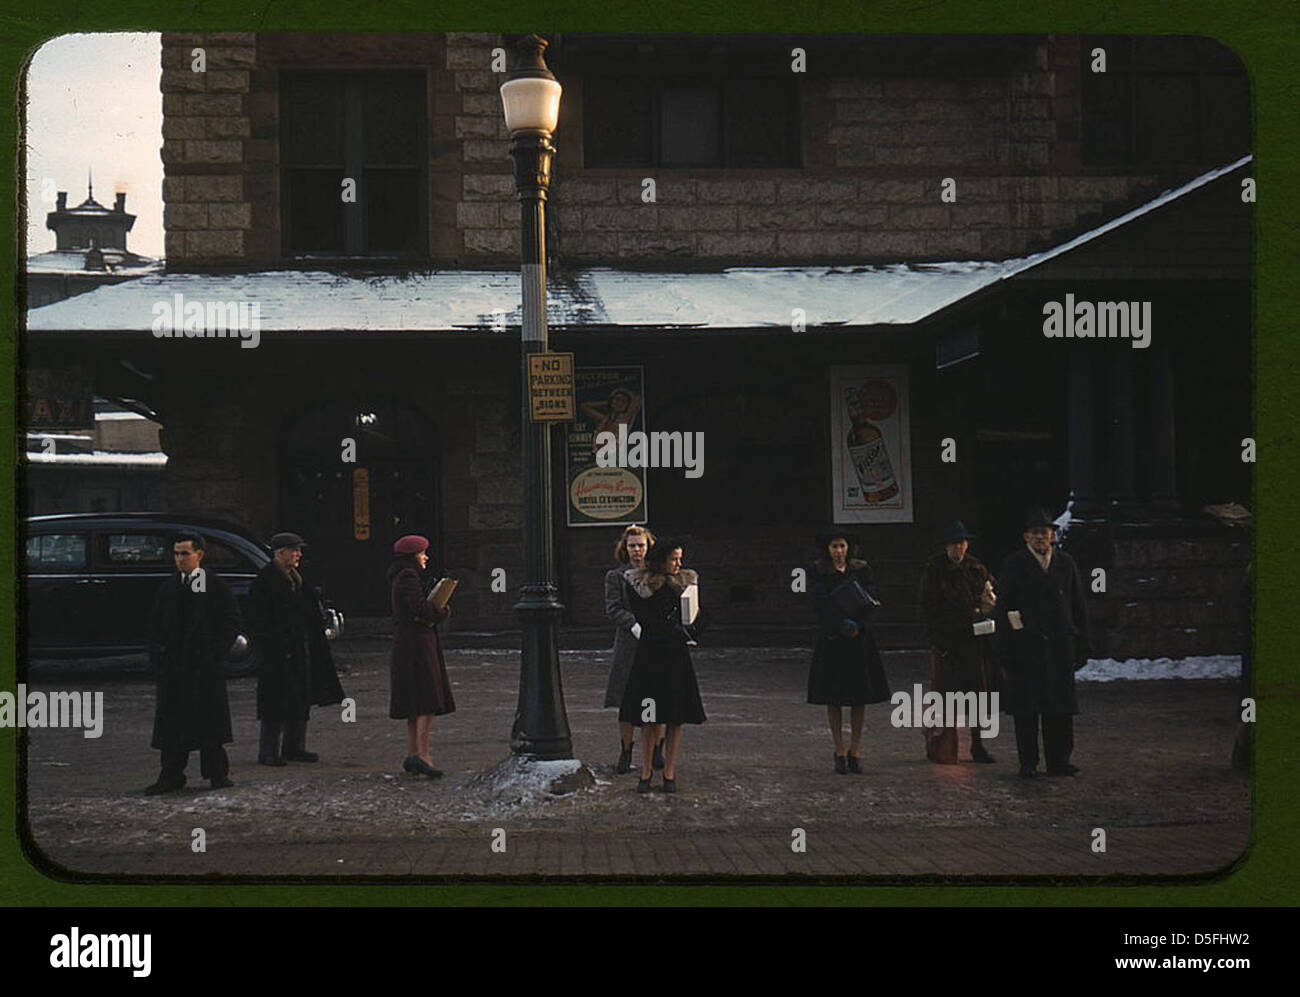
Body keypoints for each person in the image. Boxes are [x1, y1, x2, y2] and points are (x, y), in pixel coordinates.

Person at [995, 509, 1091, 778]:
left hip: (1060, 646)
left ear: (1053, 535)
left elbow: (1077, 604)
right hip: (1026, 648)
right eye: (1035, 532)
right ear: (1026, 536)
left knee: (1059, 708)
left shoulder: (1066, 563)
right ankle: (1029, 762)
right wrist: (1005, 647)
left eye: (1045, 532)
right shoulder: (1014, 564)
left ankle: (1059, 760)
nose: (1041, 537)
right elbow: (1003, 606)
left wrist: (1083, 643)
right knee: (1027, 710)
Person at [144, 531, 241, 794]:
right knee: (173, 725)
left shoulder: (214, 585)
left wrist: (216, 653)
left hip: (204, 666)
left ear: (199, 554)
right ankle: (171, 775)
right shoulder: (170, 586)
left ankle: (217, 774)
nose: (179, 559)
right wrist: (158, 655)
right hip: (175, 668)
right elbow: (155, 624)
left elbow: (231, 620)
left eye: (185, 553)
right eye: (176, 554)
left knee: (209, 723)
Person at [247, 532, 345, 766]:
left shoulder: (297, 579)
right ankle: (268, 751)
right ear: (281, 553)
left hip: (300, 648)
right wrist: (275, 646)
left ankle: (294, 747)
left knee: (299, 698)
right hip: (278, 652)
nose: (299, 554)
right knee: (275, 702)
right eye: (295, 550)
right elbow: (259, 620)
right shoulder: (266, 581)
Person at [618, 539, 706, 793]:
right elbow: (645, 618)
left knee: (675, 717)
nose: (679, 564)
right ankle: (646, 771)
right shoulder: (640, 584)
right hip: (651, 655)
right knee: (650, 718)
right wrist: (677, 631)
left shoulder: (686, 582)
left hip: (676, 656)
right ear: (661, 561)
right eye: (674, 559)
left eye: (680, 558)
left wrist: (692, 630)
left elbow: (701, 613)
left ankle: (669, 771)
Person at [807, 530, 891, 774]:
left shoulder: (862, 570)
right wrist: (840, 623)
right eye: (834, 546)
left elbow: (871, 598)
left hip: (858, 640)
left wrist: (859, 624)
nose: (838, 551)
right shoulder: (818, 570)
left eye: (842, 546)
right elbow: (819, 602)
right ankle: (839, 750)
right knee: (833, 696)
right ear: (827, 548)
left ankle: (856, 750)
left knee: (858, 696)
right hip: (833, 639)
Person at [917, 520, 998, 764]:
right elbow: (926, 607)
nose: (958, 548)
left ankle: (978, 743)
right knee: (944, 695)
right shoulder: (934, 569)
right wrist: (936, 640)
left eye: (962, 543)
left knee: (977, 694)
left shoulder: (975, 567)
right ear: (946, 547)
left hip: (973, 641)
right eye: (954, 544)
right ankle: (943, 745)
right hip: (947, 642)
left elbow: (991, 594)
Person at [387, 534, 455, 778]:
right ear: (413, 556)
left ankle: (414, 753)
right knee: (427, 700)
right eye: (422, 553)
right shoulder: (408, 577)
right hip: (417, 645)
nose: (426, 557)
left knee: (415, 703)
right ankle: (422, 755)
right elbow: (420, 608)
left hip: (411, 644)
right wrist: (442, 610)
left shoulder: (401, 576)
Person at [603, 524, 665, 774]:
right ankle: (626, 751)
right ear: (625, 549)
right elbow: (613, 608)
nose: (637, 550)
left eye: (641, 545)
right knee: (626, 701)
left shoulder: (658, 574)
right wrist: (633, 625)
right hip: (629, 644)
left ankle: (656, 749)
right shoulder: (615, 576)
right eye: (632, 546)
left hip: (656, 642)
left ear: (648, 547)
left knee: (657, 697)